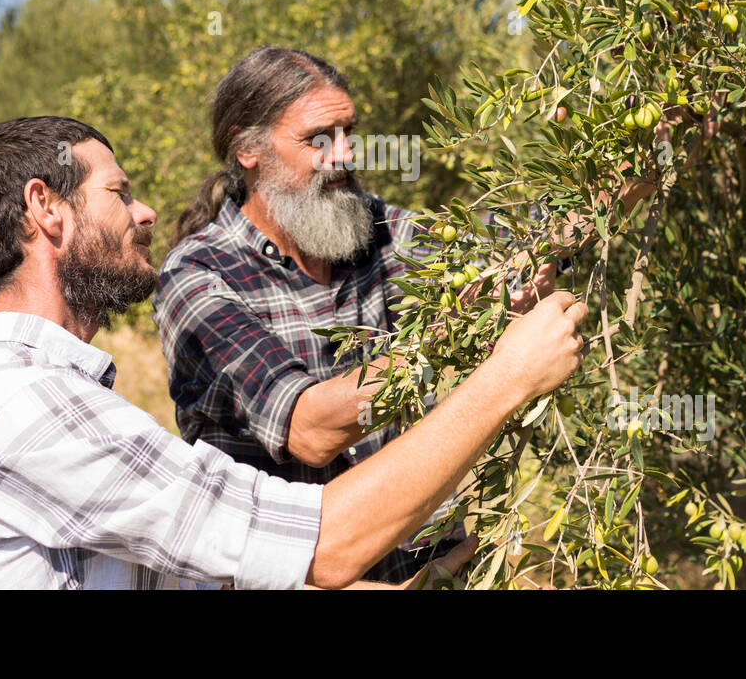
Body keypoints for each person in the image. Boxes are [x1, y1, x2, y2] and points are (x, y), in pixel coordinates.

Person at [0, 115, 587, 589]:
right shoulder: (36, 411)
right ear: (46, 208)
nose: (145, 211)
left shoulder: (42, 395)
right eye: (119, 193)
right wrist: (507, 377)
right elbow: (323, 539)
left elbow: (196, 559)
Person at [154, 47, 706, 582]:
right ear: (248, 149)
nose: (345, 154)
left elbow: (527, 241)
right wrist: (499, 370)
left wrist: (650, 159)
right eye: (319, 139)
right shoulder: (200, 275)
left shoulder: (378, 231)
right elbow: (312, 428)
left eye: (349, 132)